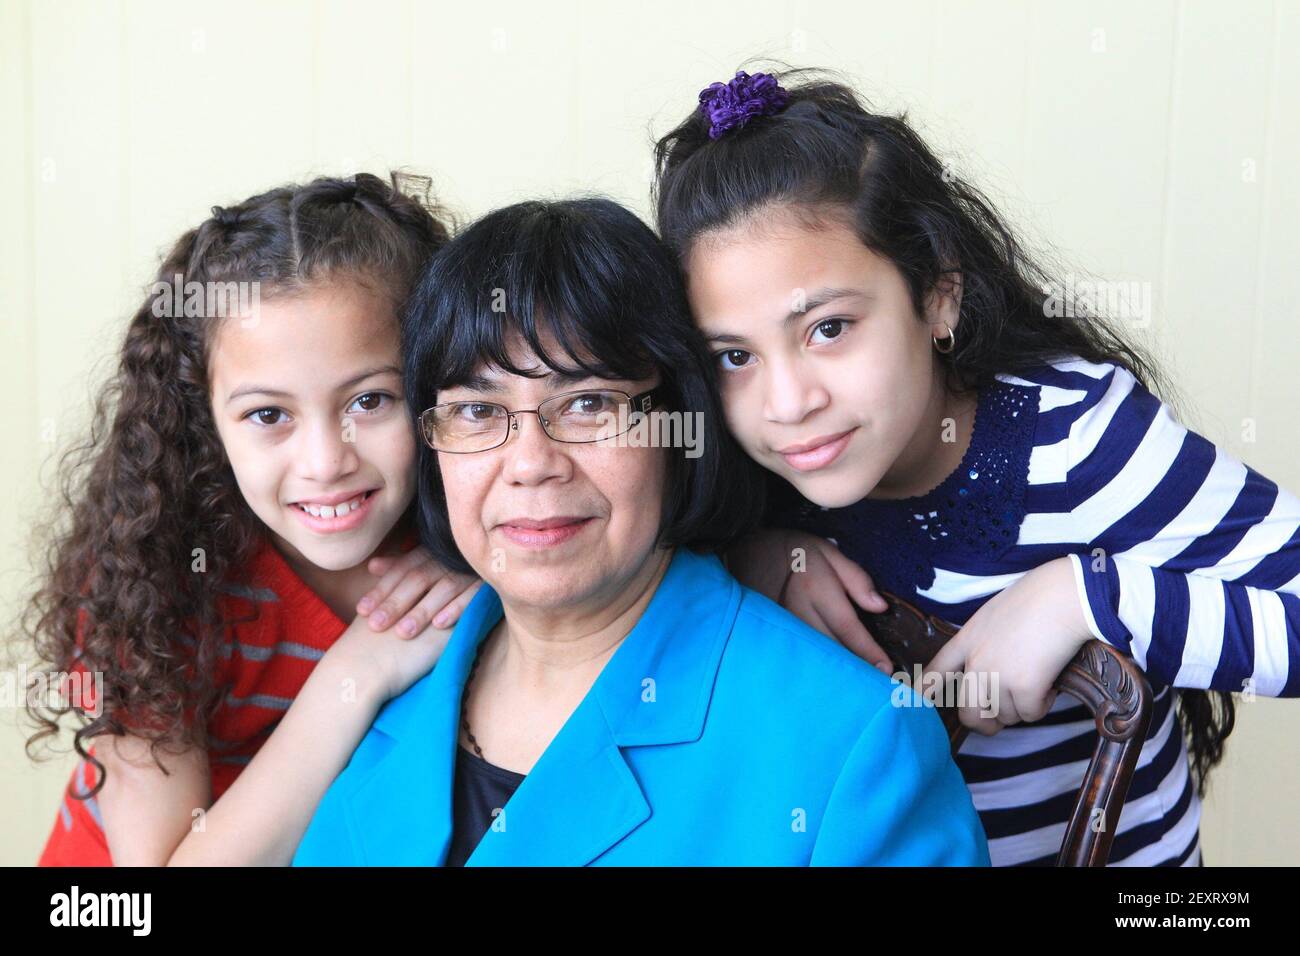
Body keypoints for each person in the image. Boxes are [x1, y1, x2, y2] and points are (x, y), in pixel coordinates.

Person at [652, 68, 1300, 865]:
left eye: (828, 329)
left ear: (939, 295)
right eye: (733, 355)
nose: (786, 403)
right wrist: (739, 561)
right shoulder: (732, 476)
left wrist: (1084, 597)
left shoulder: (1075, 440)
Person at [292, 196, 989, 866]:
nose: (531, 465)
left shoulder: (851, 745)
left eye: (589, 403)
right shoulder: (386, 683)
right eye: (477, 411)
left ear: (680, 429)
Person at [27, 172, 479, 866]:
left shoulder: (467, 538)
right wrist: (360, 666)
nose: (326, 461)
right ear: (204, 423)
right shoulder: (152, 580)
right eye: (269, 415)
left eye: (370, 402)